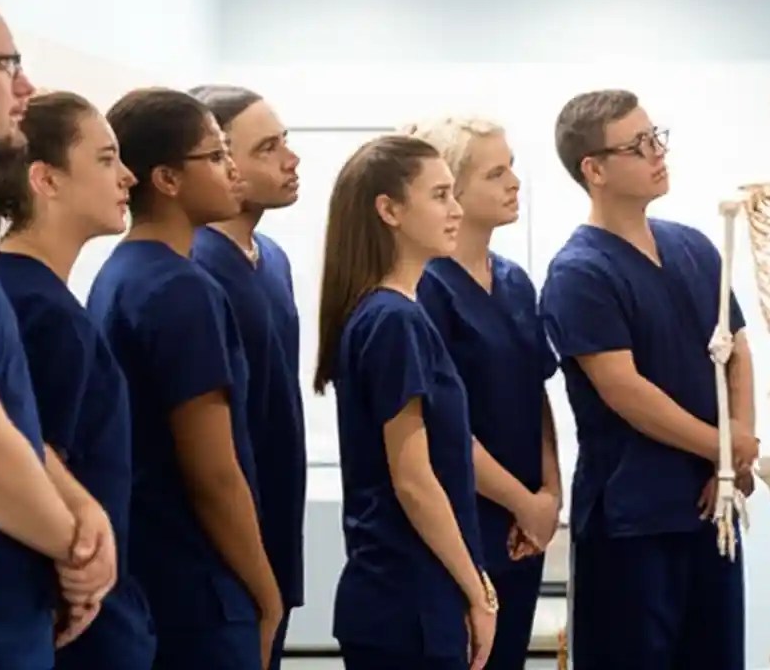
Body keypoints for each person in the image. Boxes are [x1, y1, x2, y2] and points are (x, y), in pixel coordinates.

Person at [537, 89, 759, 669]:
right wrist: (724, 449)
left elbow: (736, 349)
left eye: (656, 136)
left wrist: (732, 457)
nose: (658, 152)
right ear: (595, 170)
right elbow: (626, 392)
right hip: (632, 521)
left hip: (713, 510)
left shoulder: (694, 247)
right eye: (638, 145)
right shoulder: (580, 272)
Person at [88, 87, 282, 670]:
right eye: (217, 156)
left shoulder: (122, 272)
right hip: (200, 583)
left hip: (155, 568)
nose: (232, 171)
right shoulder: (181, 288)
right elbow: (213, 474)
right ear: (168, 179)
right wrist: (267, 595)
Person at [313, 135, 498, 670]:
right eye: (440, 195)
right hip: (408, 600)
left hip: (408, 595)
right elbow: (414, 481)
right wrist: (478, 590)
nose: (456, 209)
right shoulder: (392, 320)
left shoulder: (392, 313)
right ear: (389, 209)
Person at [0, 90, 158, 669]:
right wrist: (83, 548)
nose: (128, 176)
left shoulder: (23, 291)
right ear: (46, 180)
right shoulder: (43, 313)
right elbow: (27, 461)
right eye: (107, 159)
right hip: (71, 614)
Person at [0, 0, 117, 670]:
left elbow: (10, 425)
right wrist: (80, 552)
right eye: (6, 64)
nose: (25, 88)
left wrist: (78, 505)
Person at [406, 116, 561, 670]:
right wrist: (522, 501)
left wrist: (549, 494)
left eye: (512, 167)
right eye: (496, 173)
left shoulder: (515, 279)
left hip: (526, 526)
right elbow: (440, 423)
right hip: (464, 517)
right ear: (452, 189)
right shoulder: (425, 287)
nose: (514, 182)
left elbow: (535, 389)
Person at [189, 84, 306, 670]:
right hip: (218, 546)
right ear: (220, 160)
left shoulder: (272, 259)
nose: (291, 159)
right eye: (268, 148)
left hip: (273, 519)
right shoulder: (195, 269)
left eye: (285, 141)